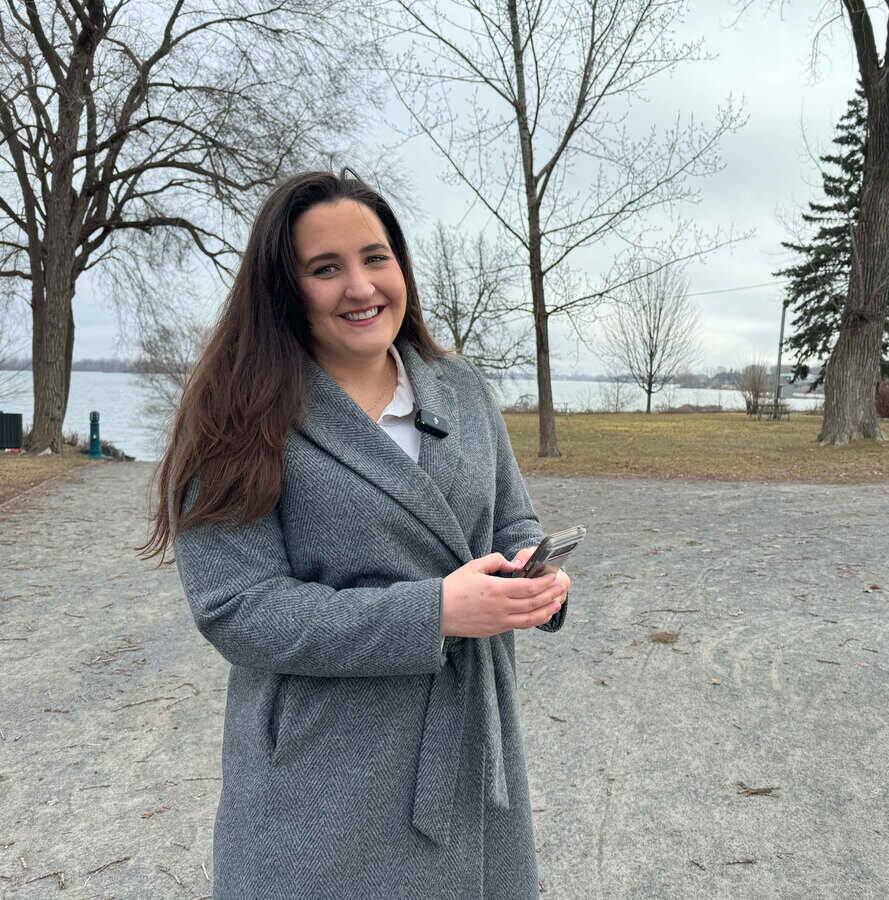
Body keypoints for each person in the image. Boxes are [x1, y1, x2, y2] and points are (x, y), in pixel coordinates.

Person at [140, 170, 570, 898]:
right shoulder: (235, 416)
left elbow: (508, 515)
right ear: (283, 288)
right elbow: (237, 609)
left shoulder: (460, 389)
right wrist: (433, 613)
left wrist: (533, 572)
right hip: (325, 773)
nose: (361, 287)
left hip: (464, 748)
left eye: (376, 258)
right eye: (325, 268)